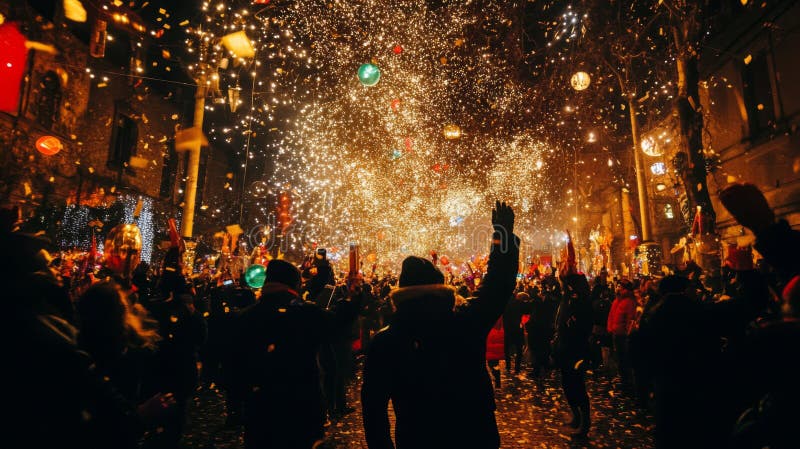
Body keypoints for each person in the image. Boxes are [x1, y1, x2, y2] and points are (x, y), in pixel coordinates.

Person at [361, 201, 519, 449]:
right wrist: (503, 238)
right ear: (442, 290)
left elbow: (373, 409)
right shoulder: (466, 321)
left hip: (417, 439)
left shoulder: (387, 340)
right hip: (474, 436)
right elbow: (499, 284)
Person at [229, 259, 362, 449]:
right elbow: (338, 323)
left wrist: (243, 397)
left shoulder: (245, 316)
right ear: (294, 284)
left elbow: (233, 364)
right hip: (301, 405)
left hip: (260, 407)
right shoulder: (305, 313)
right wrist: (351, 298)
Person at [552, 271, 593, 439]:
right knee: (567, 384)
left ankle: (585, 422)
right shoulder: (567, 299)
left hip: (576, 349)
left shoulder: (581, 302)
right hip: (564, 348)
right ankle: (576, 416)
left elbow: (582, 326)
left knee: (577, 385)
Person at [607, 278, 637, 389]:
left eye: (620, 286)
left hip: (623, 336)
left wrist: (627, 333)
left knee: (624, 359)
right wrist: (610, 328)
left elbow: (630, 319)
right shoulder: (617, 300)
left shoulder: (629, 302)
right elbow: (612, 315)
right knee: (619, 359)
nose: (618, 288)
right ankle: (624, 380)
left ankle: (627, 382)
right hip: (616, 333)